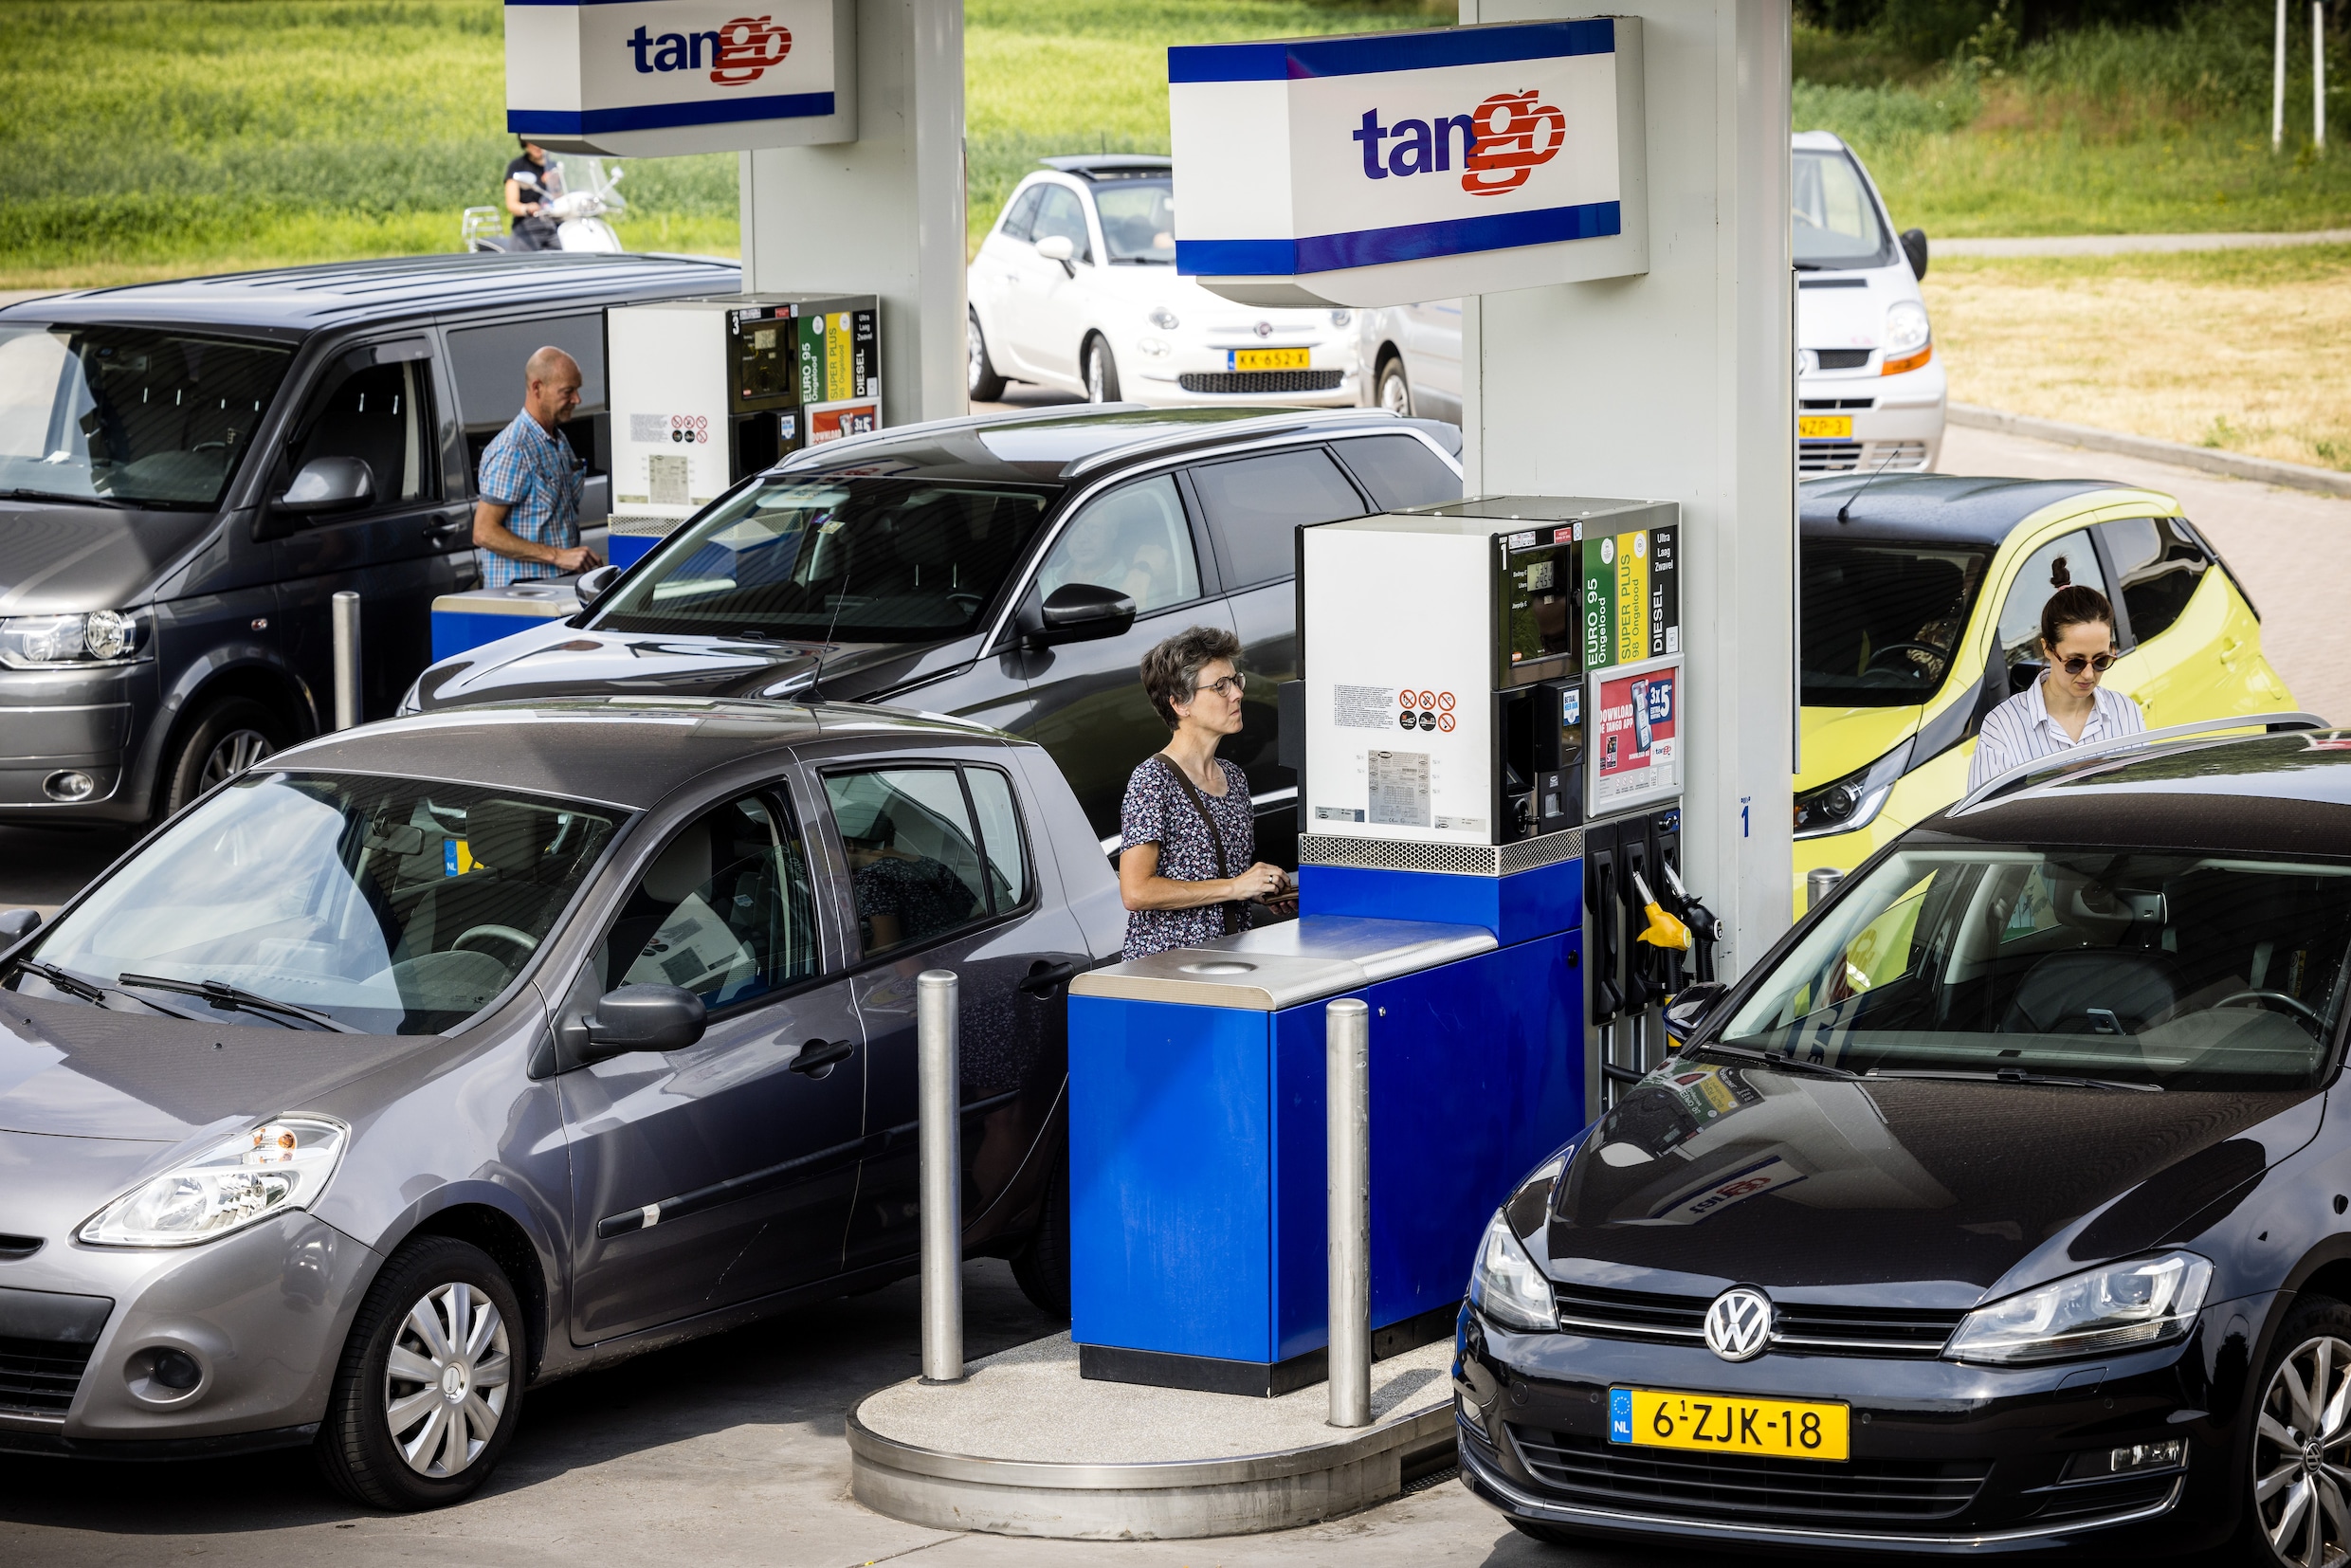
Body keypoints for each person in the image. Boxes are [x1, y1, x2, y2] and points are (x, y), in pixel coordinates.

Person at [1118, 626, 1289, 960]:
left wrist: (1260, 888)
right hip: (1169, 973)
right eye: (1220, 686)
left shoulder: (1235, 778)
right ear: (1180, 703)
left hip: (1230, 963)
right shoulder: (1153, 779)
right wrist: (1236, 886)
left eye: (1235, 681)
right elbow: (1136, 891)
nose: (1237, 694)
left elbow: (1217, 880)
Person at [1966, 583, 2144, 791]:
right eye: (2075, 662)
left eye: (2100, 661)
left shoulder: (2126, 712)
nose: (2088, 674)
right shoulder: (2002, 727)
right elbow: (1985, 818)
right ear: (2047, 649)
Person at [472, 347, 601, 587]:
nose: (577, 399)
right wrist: (559, 556)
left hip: (555, 589)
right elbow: (484, 532)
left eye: (577, 390)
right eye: (568, 391)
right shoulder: (513, 448)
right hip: (523, 595)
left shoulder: (558, 441)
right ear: (537, 388)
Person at [503, 139, 564, 252]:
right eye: (532, 142)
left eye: (541, 143)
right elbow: (511, 204)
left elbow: (561, 200)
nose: (537, 147)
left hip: (553, 223)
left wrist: (553, 184)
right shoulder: (517, 167)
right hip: (528, 224)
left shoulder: (554, 167)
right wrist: (526, 208)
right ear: (525, 143)